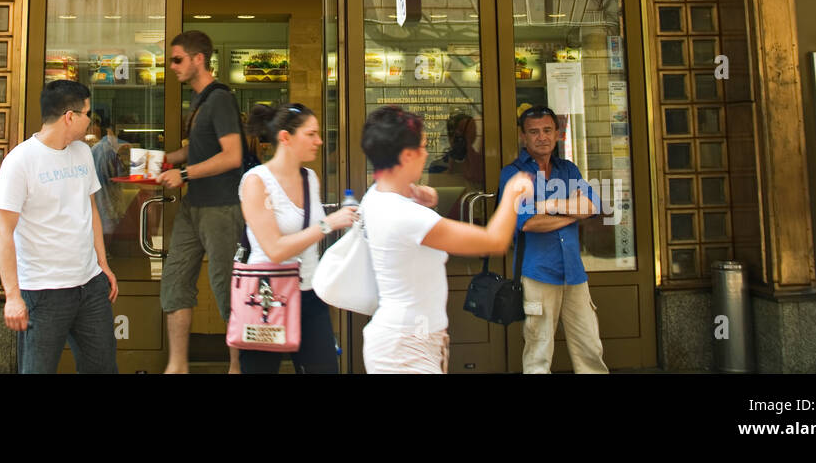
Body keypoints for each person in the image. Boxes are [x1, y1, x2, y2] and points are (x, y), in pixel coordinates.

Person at [359, 105, 534, 374]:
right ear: (406, 155)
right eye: (423, 146)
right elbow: (494, 241)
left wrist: (422, 195)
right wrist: (513, 192)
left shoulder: (376, 197)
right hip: (407, 346)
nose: (427, 154)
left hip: (406, 339)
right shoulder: (405, 215)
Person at [0, 79, 118, 374]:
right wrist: (12, 295)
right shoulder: (20, 161)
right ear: (70, 117)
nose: (91, 120)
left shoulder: (82, 153)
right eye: (87, 113)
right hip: (43, 291)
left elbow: (90, 210)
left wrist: (103, 265)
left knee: (102, 368)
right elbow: (3, 231)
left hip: (90, 286)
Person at [238, 102, 358, 374]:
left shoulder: (310, 178)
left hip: (310, 295)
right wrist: (328, 225)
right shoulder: (255, 181)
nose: (320, 141)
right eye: (311, 134)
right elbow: (274, 249)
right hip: (266, 296)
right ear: (285, 138)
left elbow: (307, 235)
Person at [156, 30, 245, 373]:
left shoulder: (220, 99)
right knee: (175, 281)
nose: (172, 66)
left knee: (226, 288)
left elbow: (232, 156)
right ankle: (177, 366)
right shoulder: (200, 100)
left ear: (198, 60)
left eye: (177, 59)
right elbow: (197, 149)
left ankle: (237, 366)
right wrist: (165, 159)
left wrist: (185, 174)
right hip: (195, 207)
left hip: (221, 207)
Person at [498, 105, 607, 374]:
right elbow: (529, 223)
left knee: (590, 348)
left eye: (547, 130)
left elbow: (592, 206)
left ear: (558, 134)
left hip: (574, 273)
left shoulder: (568, 170)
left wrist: (550, 204)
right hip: (537, 273)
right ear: (523, 137)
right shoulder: (513, 174)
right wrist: (572, 213)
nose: (542, 137)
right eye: (534, 132)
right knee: (538, 352)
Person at [90, 113, 124, 237]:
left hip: (99, 205)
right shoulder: (102, 149)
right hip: (105, 204)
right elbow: (118, 175)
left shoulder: (96, 149)